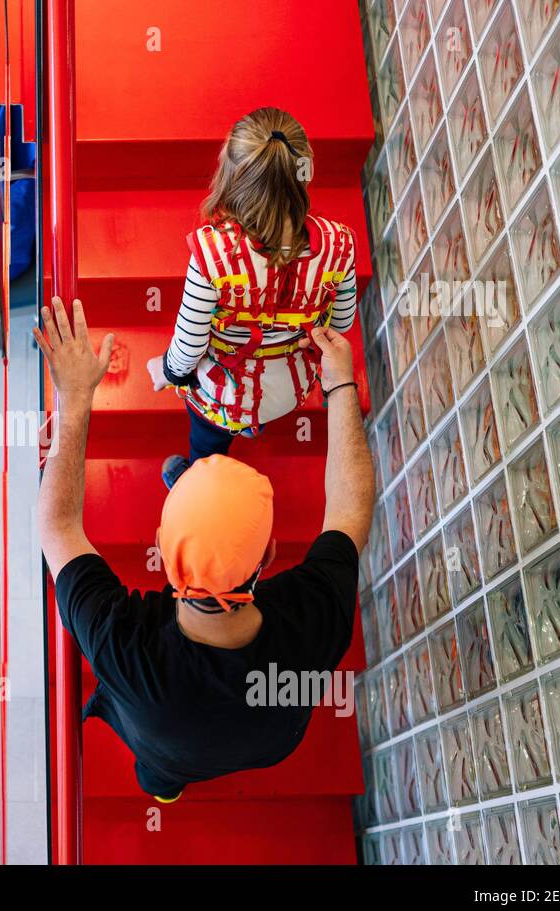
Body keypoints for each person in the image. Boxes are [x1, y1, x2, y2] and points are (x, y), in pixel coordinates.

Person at [34, 297, 373, 802]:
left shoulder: (123, 648)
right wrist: (342, 384)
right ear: (270, 555)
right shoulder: (315, 617)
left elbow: (56, 525)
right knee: (170, 752)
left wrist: (76, 395)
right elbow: (348, 509)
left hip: (163, 746)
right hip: (272, 741)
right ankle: (190, 484)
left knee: (159, 773)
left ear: (160, 552)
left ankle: (164, 790)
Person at [144, 107, 359, 489]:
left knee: (207, 444)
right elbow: (337, 332)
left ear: (232, 180)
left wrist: (166, 369)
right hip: (291, 390)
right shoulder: (341, 244)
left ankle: (198, 484)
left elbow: (186, 353)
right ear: (304, 174)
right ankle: (236, 442)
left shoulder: (212, 258)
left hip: (225, 397)